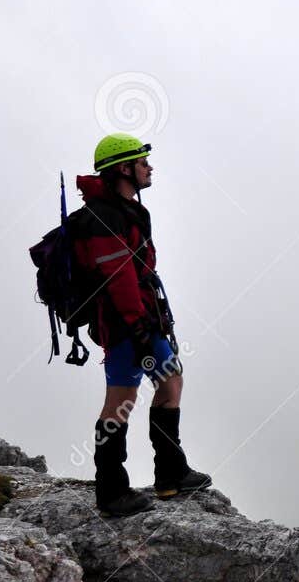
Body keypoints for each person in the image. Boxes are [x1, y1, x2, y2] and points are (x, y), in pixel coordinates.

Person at [71, 132, 213, 517]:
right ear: (123, 168)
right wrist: (140, 331)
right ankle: (118, 490)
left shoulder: (127, 210)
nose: (149, 167)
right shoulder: (106, 217)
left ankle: (166, 475)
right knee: (126, 399)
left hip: (137, 320)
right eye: (142, 162)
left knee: (162, 384)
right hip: (126, 324)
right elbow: (118, 277)